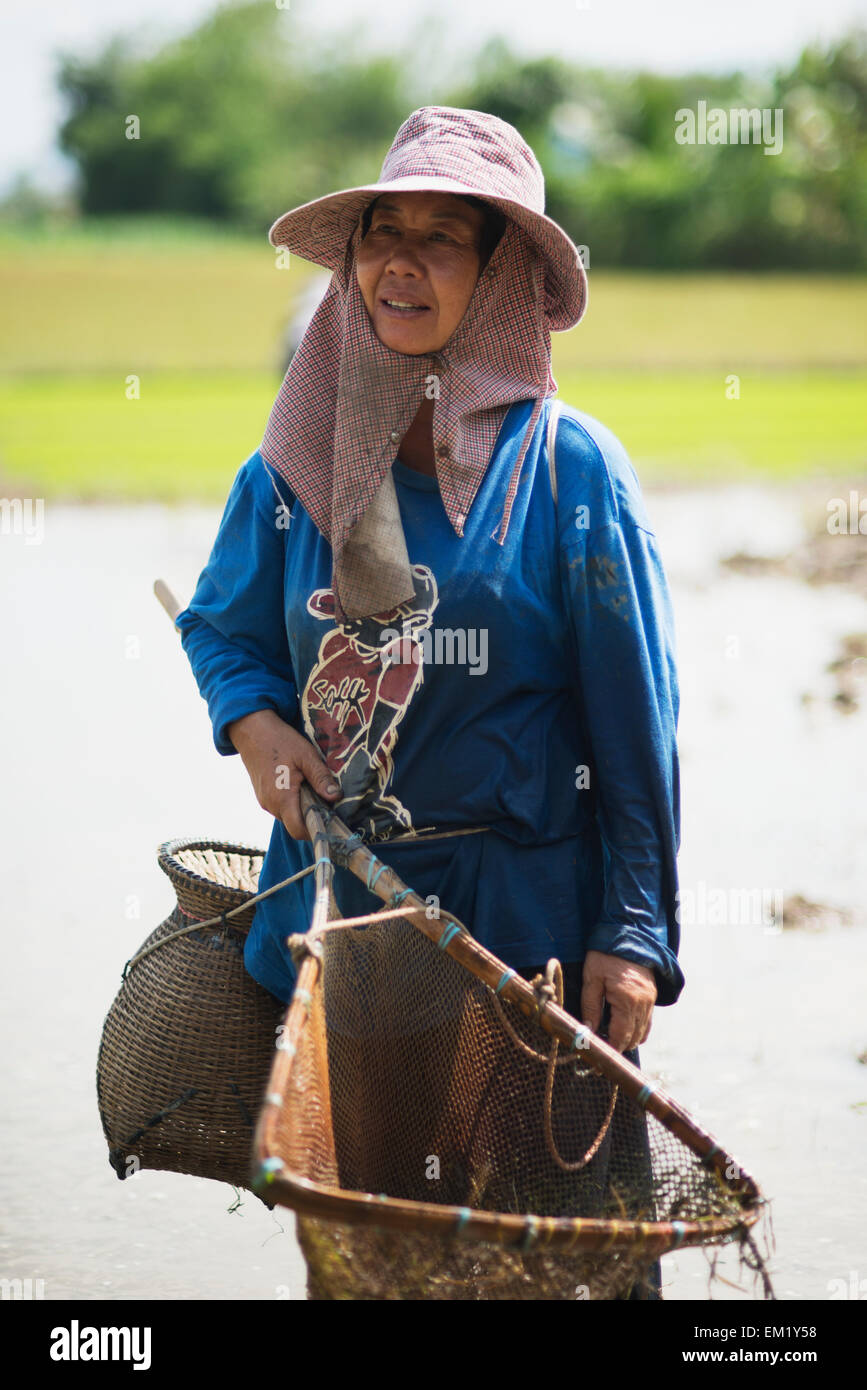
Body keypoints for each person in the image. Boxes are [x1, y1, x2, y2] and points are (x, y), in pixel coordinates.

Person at [177, 105, 682, 1184]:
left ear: (500, 273)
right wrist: (256, 722)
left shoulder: (569, 474)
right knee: (380, 1246)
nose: (400, 263)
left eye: (442, 236)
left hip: (526, 947)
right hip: (350, 940)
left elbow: (636, 727)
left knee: (547, 1250)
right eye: (381, 232)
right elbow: (222, 628)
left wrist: (633, 933)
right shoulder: (291, 467)